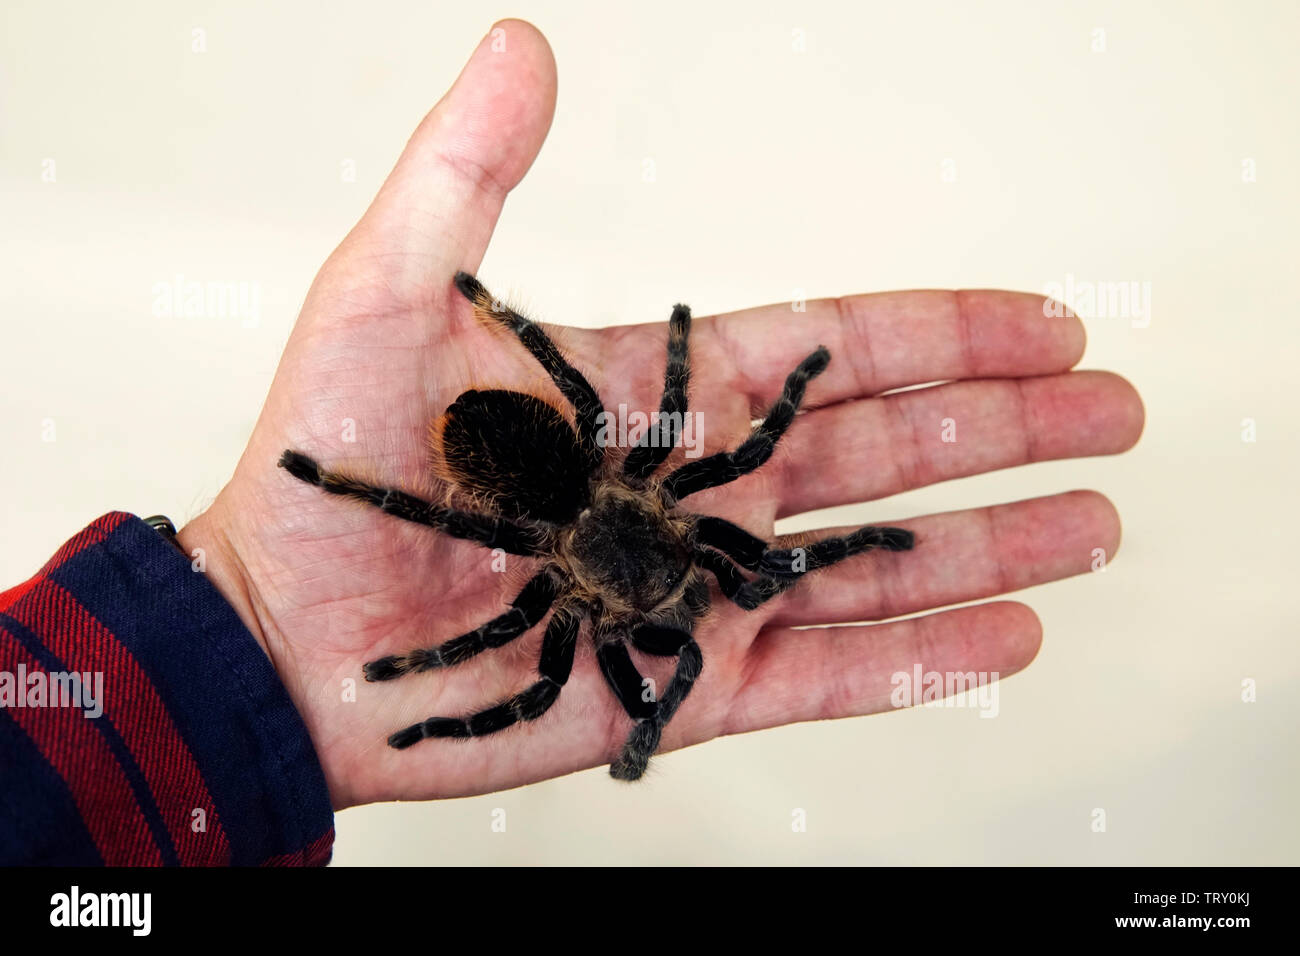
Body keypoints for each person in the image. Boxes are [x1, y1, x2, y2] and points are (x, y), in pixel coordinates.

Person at [0, 20, 1144, 865]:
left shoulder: (636, 498)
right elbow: (718, 475)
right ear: (666, 521)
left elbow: (727, 481)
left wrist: (809, 440)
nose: (686, 593)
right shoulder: (611, 532)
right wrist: (362, 642)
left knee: (561, 578)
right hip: (528, 466)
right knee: (505, 565)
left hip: (554, 480)